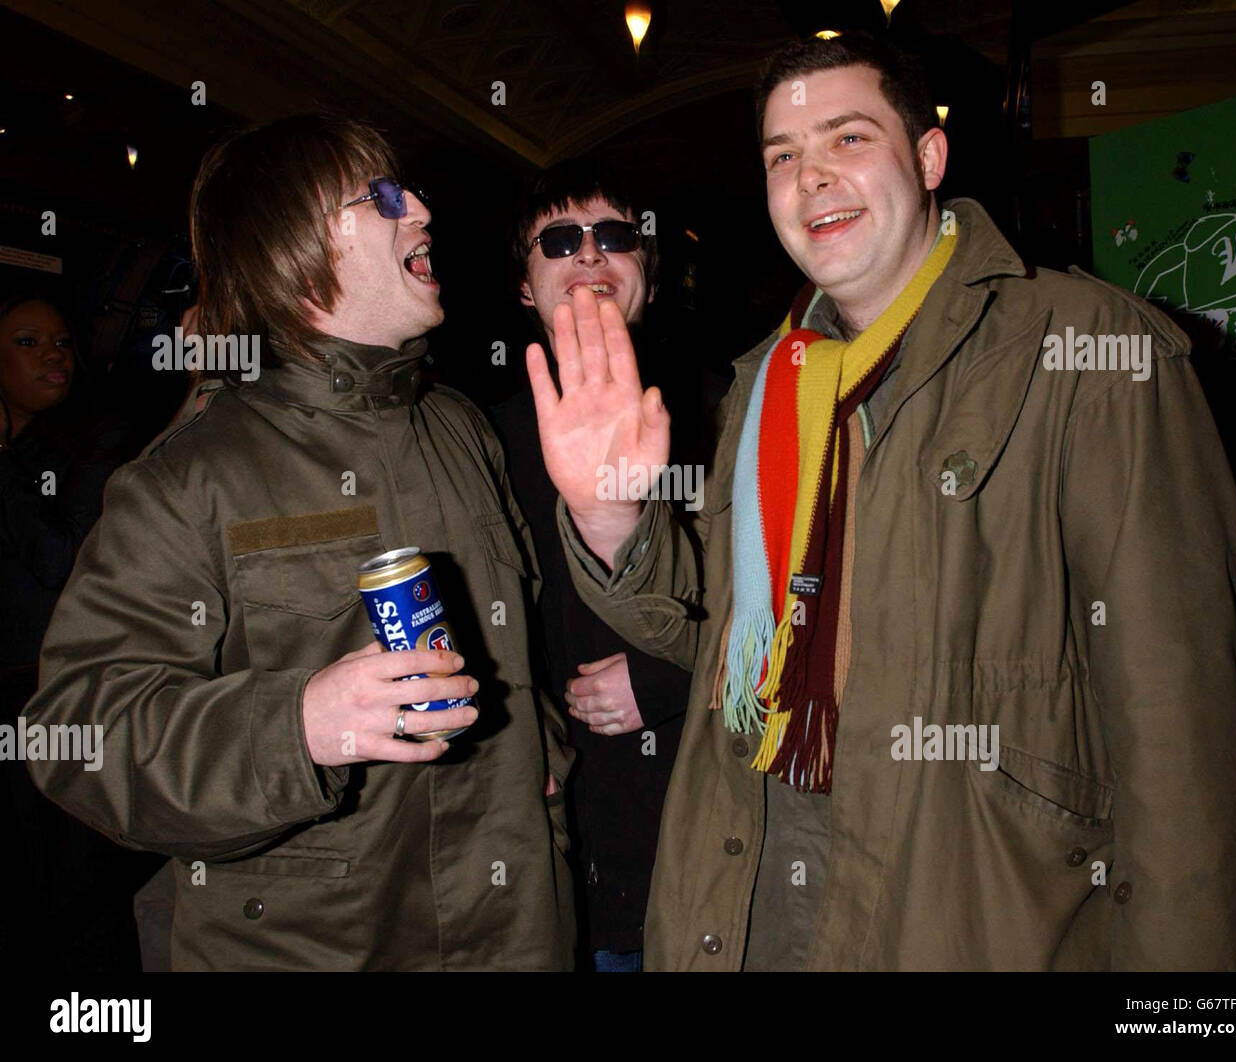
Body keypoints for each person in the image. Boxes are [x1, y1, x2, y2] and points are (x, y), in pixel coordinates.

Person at [527, 32, 1236, 970]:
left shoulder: (1086, 350)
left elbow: (1184, 743)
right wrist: (611, 516)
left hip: (971, 916)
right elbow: (720, 640)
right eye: (782, 157)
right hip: (751, 897)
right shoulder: (769, 382)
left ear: (927, 158)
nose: (811, 179)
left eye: (847, 140)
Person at [24, 114, 574, 971]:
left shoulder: (458, 425)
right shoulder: (193, 474)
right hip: (315, 947)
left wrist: (543, 751)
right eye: (386, 195)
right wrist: (296, 726)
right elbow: (76, 730)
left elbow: (519, 630)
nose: (422, 210)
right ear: (295, 243)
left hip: (515, 936)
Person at [490, 163, 719, 971]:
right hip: (555, 843)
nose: (589, 254)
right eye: (559, 240)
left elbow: (804, 604)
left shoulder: (728, 414)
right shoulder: (470, 440)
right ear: (525, 285)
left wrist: (667, 681)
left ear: (648, 281)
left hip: (703, 826)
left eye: (615, 237)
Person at [0, 293, 154, 971]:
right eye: (29, 343)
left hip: (63, 696)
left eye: (60, 342)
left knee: (80, 897)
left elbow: (58, 562)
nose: (53, 355)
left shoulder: (97, 440)